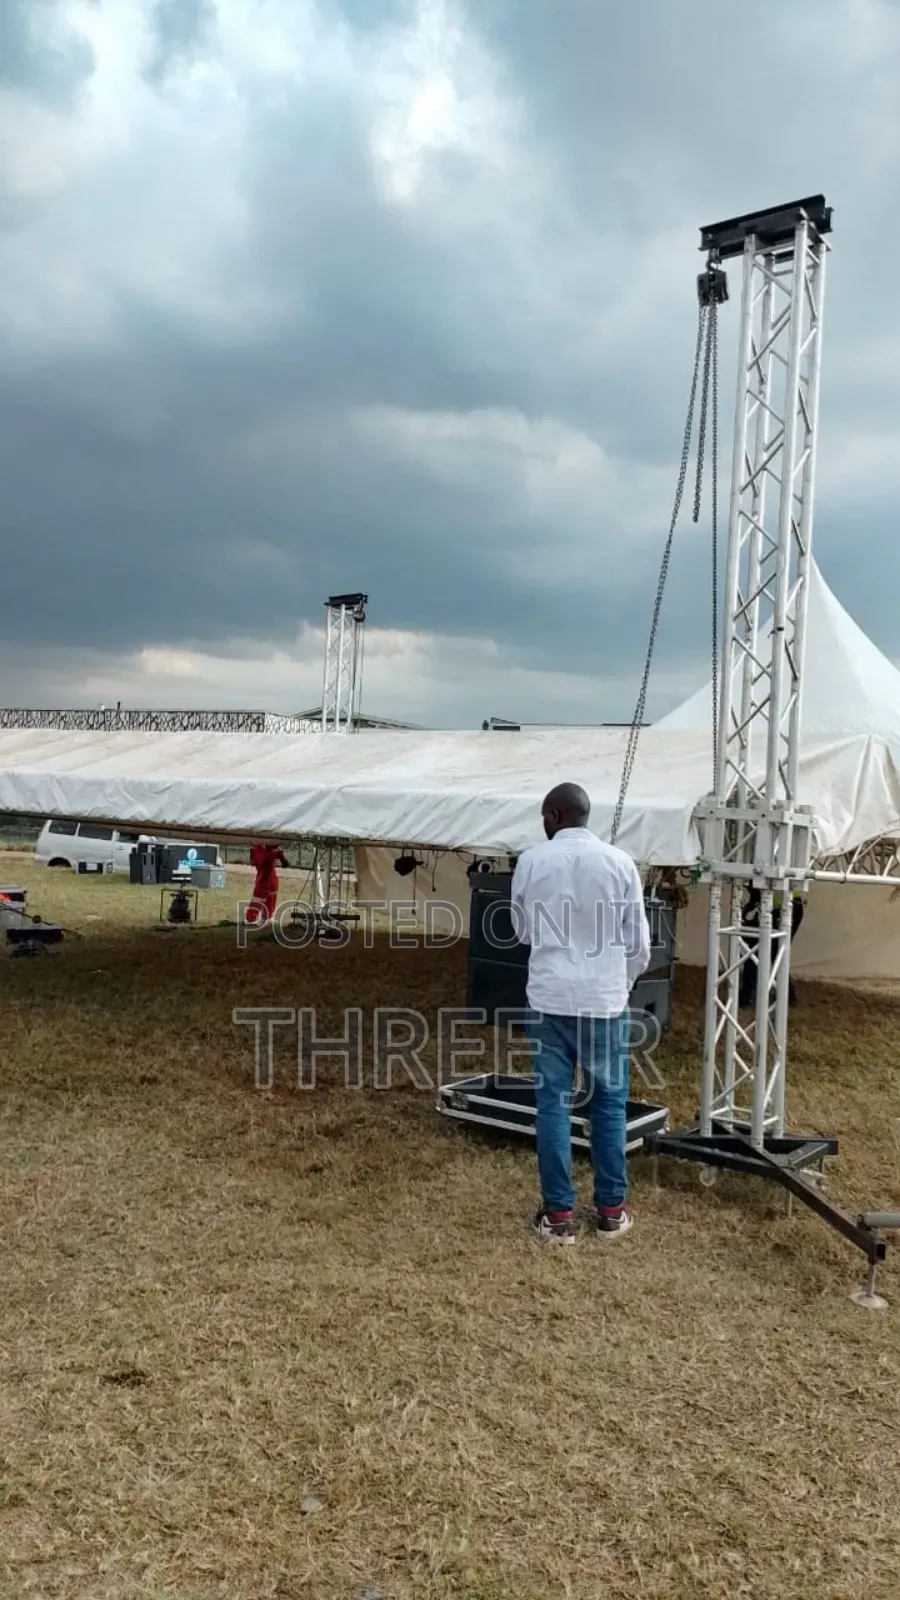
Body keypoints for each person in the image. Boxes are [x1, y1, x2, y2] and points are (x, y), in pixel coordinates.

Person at [510, 783, 652, 1244]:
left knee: (553, 1102)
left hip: (550, 999)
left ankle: (559, 1216)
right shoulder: (620, 862)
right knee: (609, 1102)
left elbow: (522, 929)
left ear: (554, 815)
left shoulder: (531, 861)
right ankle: (611, 1210)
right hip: (605, 1002)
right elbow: (639, 945)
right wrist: (619, 984)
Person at [738, 885, 805, 1009]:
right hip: (783, 906)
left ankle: (748, 996)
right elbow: (756, 896)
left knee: (769, 952)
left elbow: (756, 894)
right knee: (770, 952)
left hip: (784, 907)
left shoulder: (755, 872)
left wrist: (747, 911)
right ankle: (786, 996)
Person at [246, 842, 289, 925]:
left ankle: (265, 917)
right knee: (261, 893)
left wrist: (283, 859)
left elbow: (252, 860)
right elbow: (253, 860)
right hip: (264, 874)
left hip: (268, 874)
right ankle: (252, 918)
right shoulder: (260, 847)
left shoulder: (270, 847)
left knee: (271, 892)